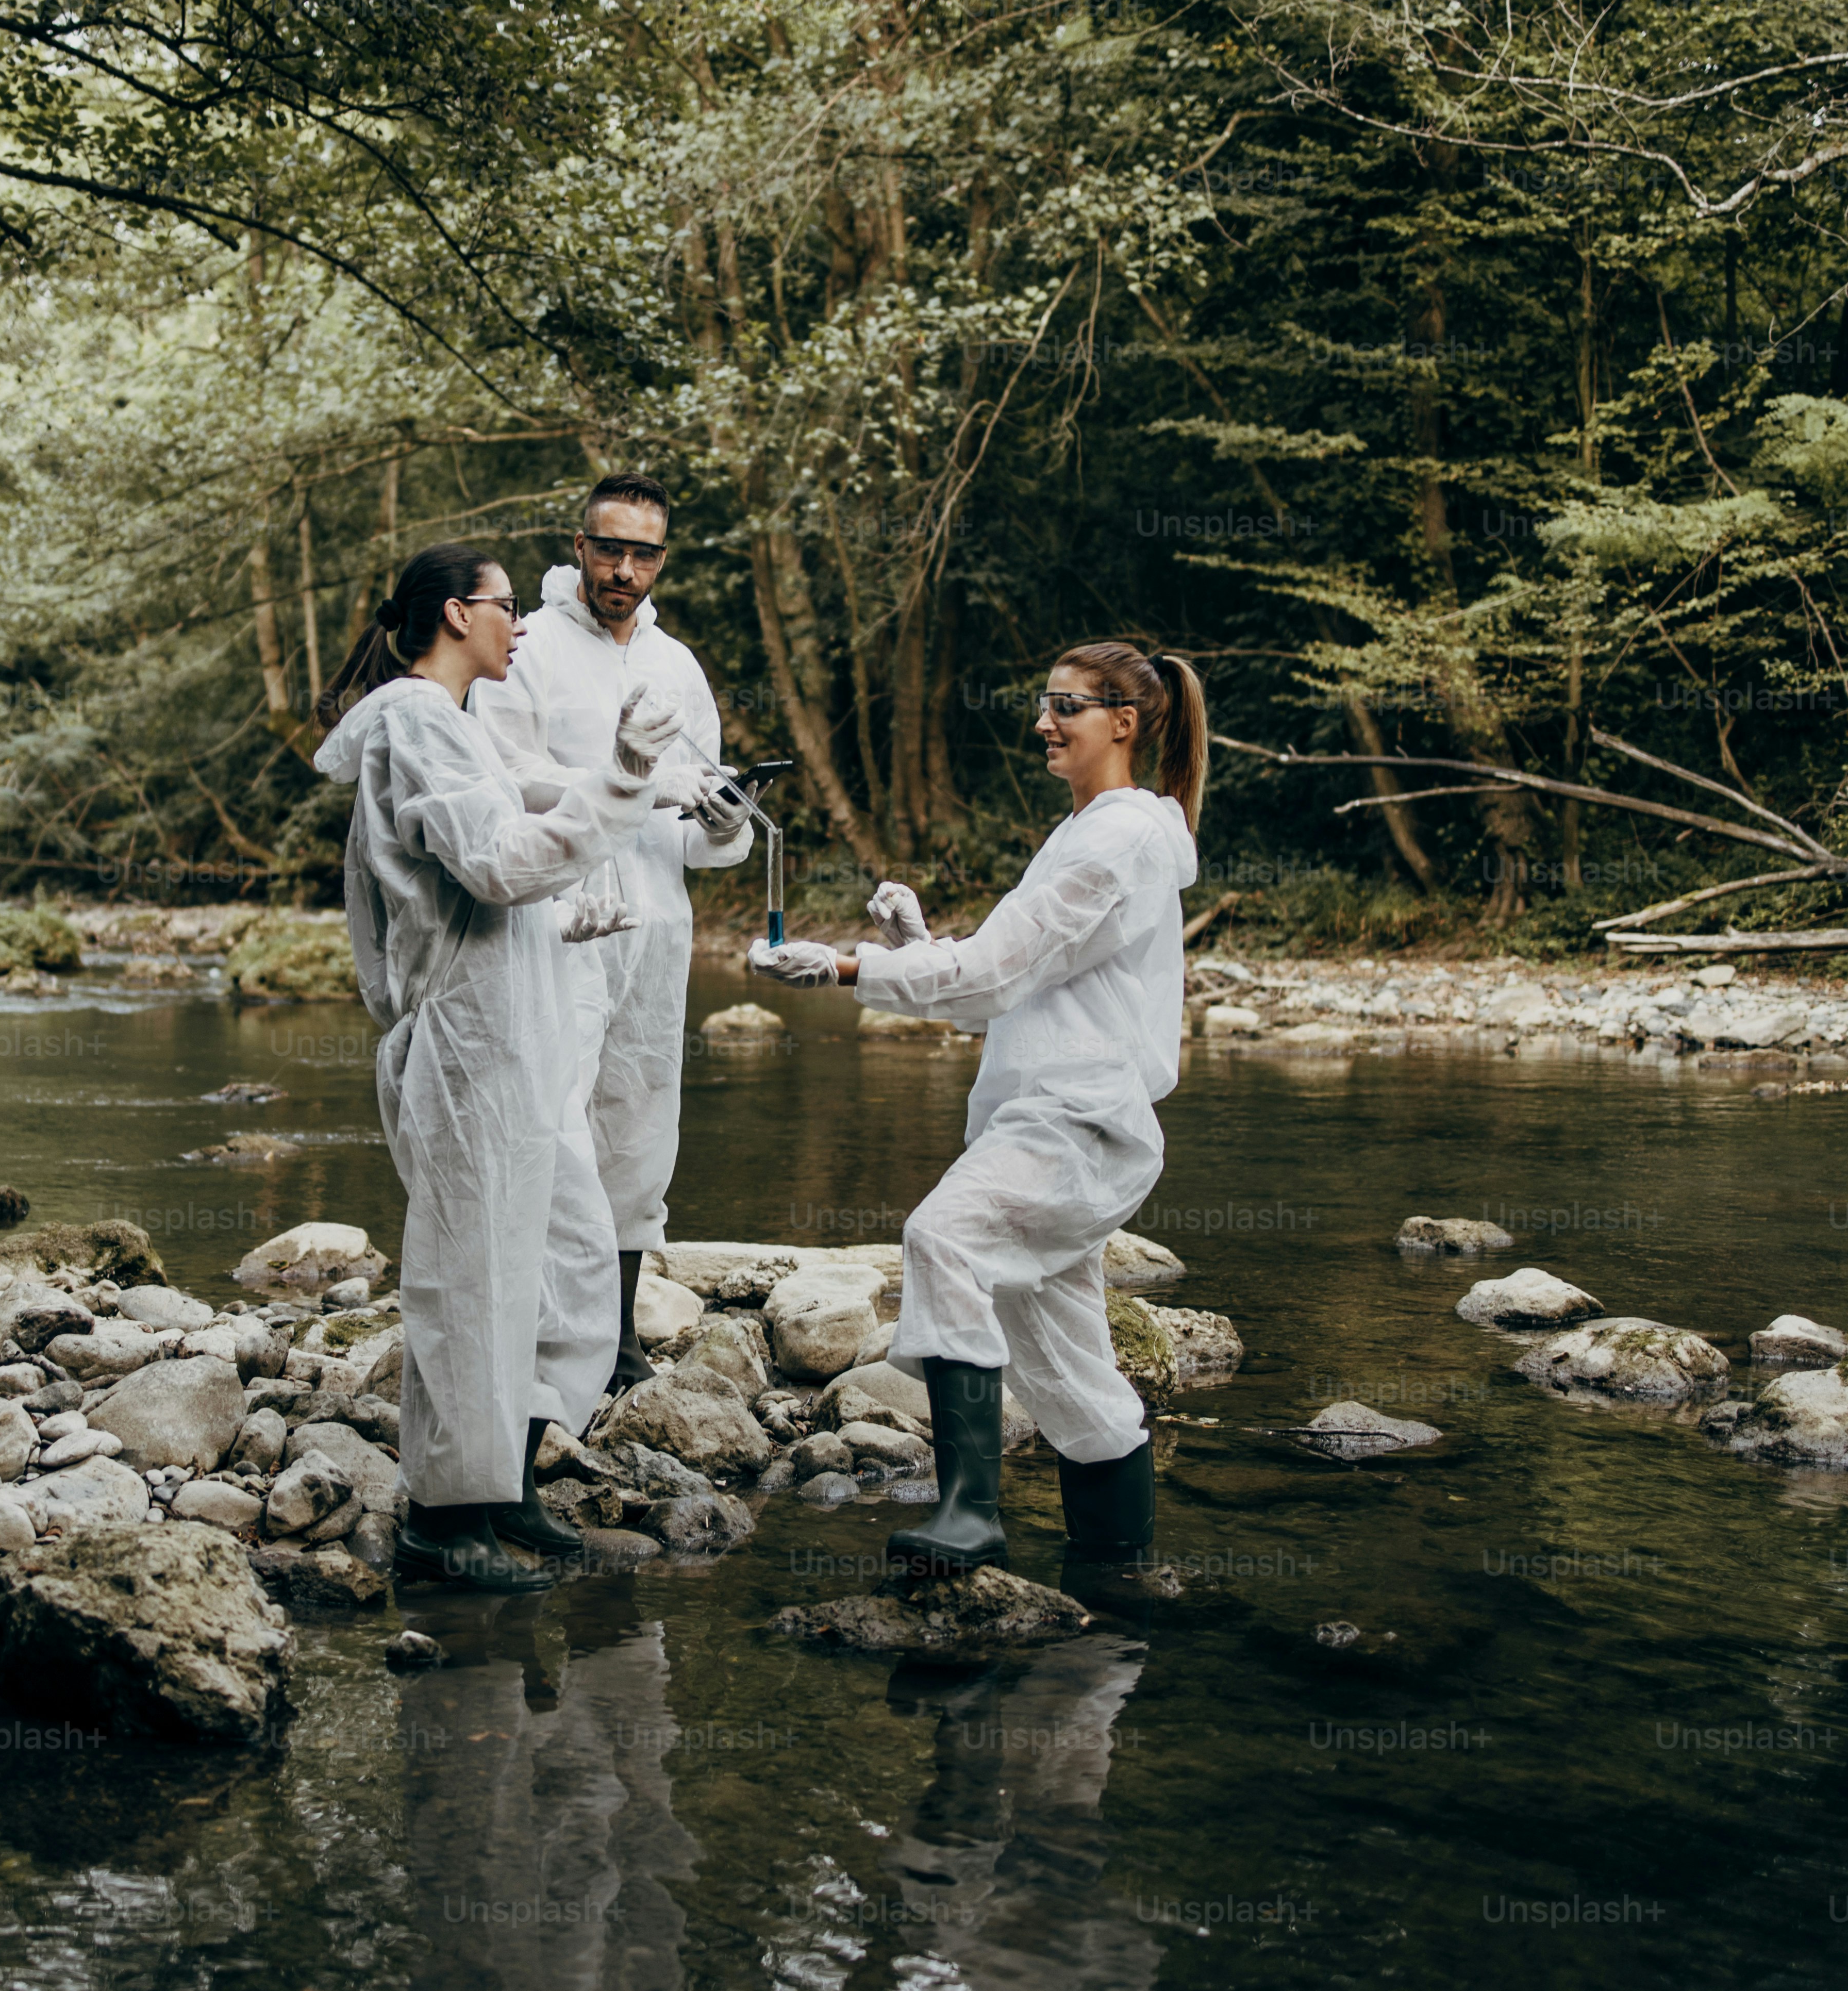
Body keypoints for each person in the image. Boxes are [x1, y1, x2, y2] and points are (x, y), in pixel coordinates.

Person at [748, 640, 1207, 1573]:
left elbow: (998, 972)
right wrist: (917, 944)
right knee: (1070, 1368)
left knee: (944, 1238)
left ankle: (969, 1513)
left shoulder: (1119, 840)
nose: (1043, 722)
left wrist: (848, 967)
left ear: (1124, 722)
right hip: (1054, 1115)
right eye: (1044, 703)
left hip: (1077, 1124)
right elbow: (1018, 990)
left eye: (1065, 707)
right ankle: (1118, 1577)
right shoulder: (1084, 832)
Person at [312, 543, 686, 1592]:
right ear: (451, 613)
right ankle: (445, 1515)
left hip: (519, 1033)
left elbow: (485, 884)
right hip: (465, 1046)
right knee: (470, 1272)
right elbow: (493, 864)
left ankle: (509, 1472)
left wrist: (570, 911)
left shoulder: (454, 723)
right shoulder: (416, 721)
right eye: (505, 606)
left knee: (565, 1260)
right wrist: (618, 781)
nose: (520, 624)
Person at [472, 478, 756, 1410]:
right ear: (580, 546)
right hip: (558, 912)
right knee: (555, 1112)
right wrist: (625, 783)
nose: (624, 570)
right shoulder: (529, 646)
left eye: (644, 555)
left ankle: (621, 1334)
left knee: (640, 1116)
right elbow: (502, 775)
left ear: (663, 560)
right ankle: (542, 1328)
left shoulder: (678, 665)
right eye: (609, 549)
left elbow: (704, 828)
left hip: (658, 924)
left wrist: (720, 822)